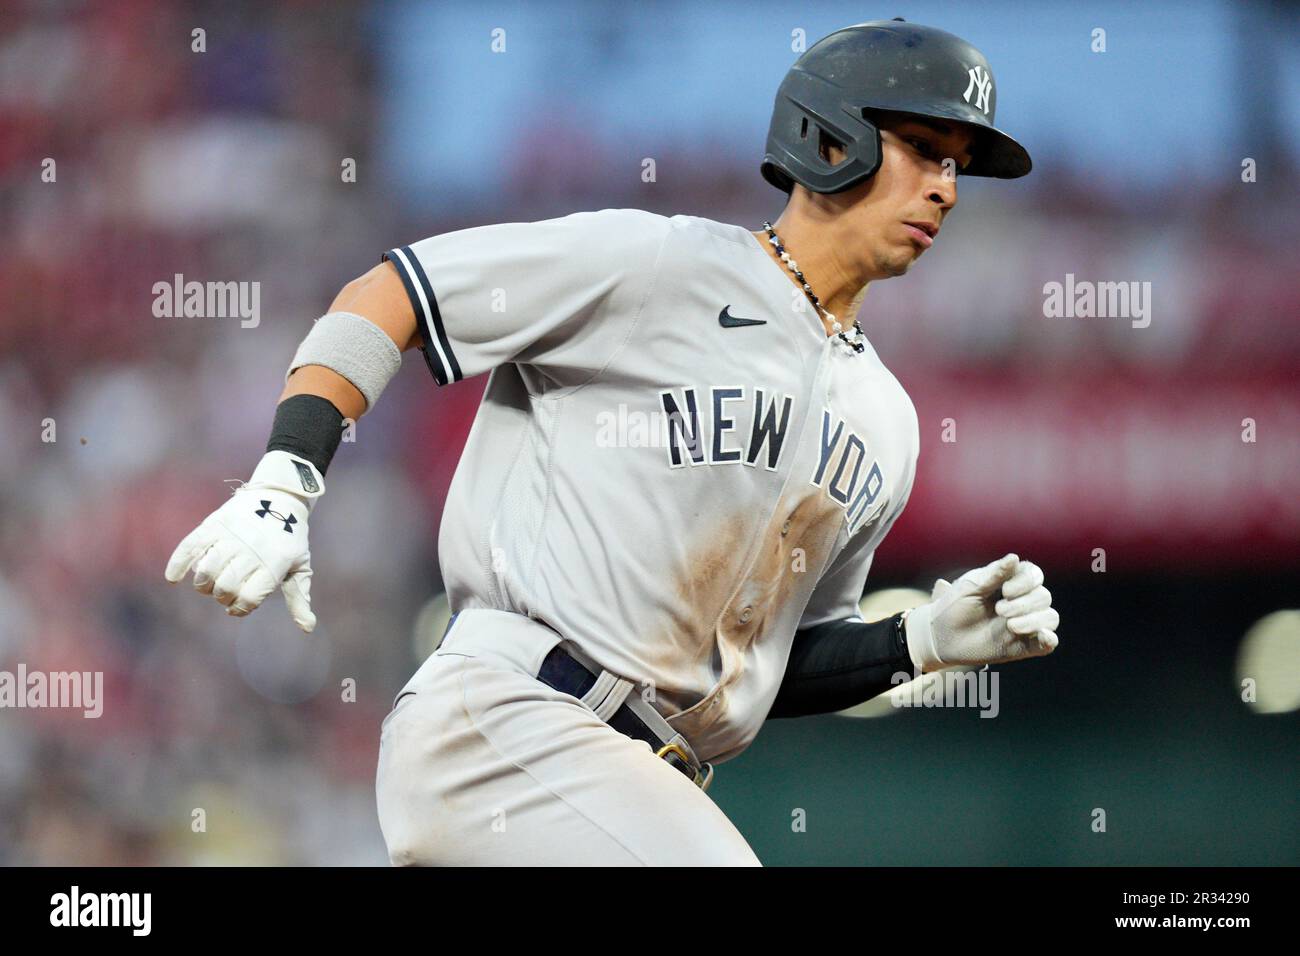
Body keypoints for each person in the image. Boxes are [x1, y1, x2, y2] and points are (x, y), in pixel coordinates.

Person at [164, 19, 1059, 866]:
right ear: (831, 140)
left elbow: (771, 668)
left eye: (957, 165)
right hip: (510, 719)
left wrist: (923, 640)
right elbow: (392, 294)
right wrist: (286, 478)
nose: (945, 186)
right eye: (922, 150)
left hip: (633, 784)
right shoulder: (660, 266)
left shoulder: (888, 422)